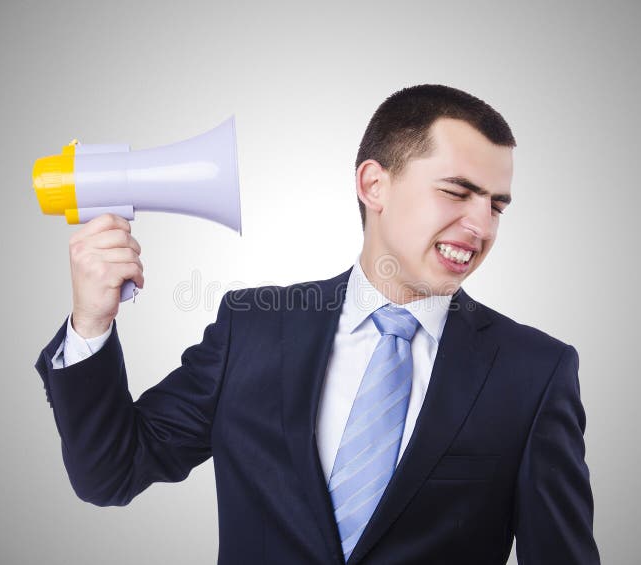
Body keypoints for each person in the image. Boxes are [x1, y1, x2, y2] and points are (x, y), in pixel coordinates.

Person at [35, 84, 600, 564]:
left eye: (497, 206)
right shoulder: (251, 330)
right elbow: (110, 473)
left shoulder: (534, 371)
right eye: (457, 191)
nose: (481, 225)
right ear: (374, 185)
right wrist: (92, 320)